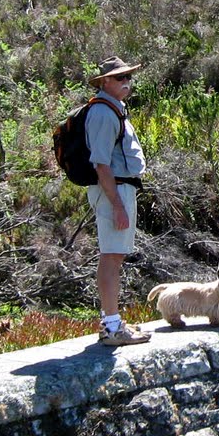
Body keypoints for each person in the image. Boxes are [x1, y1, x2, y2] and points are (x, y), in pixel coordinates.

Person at [86, 57, 150, 346]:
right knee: (111, 256)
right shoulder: (103, 114)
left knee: (115, 255)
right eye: (119, 78)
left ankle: (112, 322)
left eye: (128, 77)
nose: (126, 82)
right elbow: (101, 165)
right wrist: (117, 205)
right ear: (104, 83)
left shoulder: (114, 110)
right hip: (115, 190)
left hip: (120, 189)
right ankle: (111, 326)